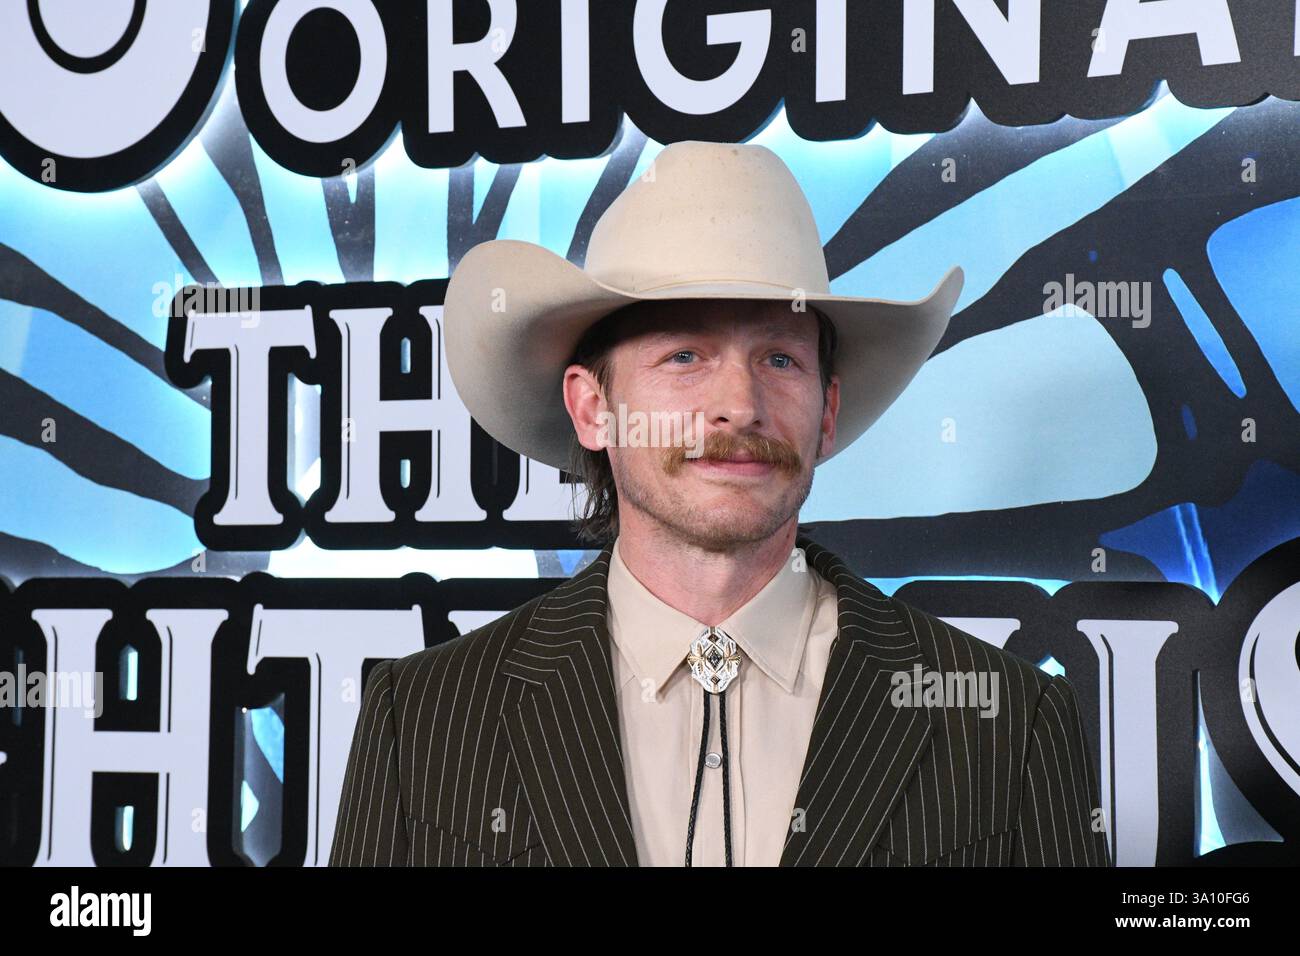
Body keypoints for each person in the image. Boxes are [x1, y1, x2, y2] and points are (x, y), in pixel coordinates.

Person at [329, 140, 1111, 867]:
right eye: (684, 355)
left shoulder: (1011, 722)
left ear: (827, 412)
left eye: (779, 357)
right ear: (592, 408)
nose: (739, 404)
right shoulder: (424, 719)